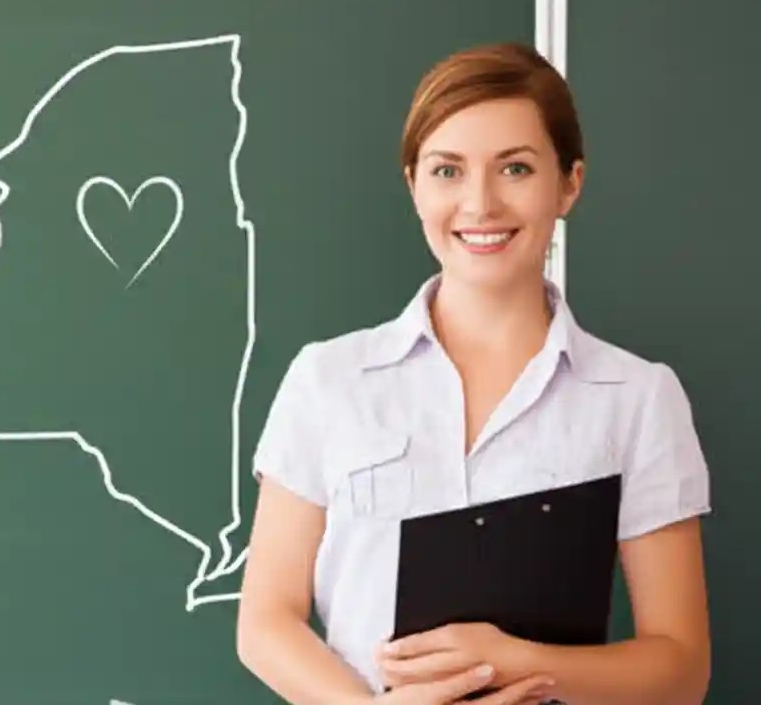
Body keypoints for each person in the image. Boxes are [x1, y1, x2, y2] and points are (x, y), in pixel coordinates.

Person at [236, 42, 712, 705]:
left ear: (569, 183)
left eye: (515, 168)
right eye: (447, 171)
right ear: (414, 185)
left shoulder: (638, 398)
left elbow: (681, 670)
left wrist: (517, 662)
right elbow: (265, 623)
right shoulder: (328, 380)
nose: (480, 204)